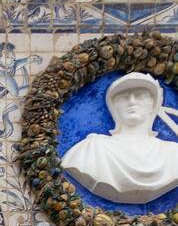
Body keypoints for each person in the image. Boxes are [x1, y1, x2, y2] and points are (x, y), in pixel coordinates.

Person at [61, 71, 178, 204]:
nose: (132, 102)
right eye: (123, 97)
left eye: (140, 95)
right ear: (113, 107)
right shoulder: (92, 149)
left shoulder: (173, 153)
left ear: (153, 105)